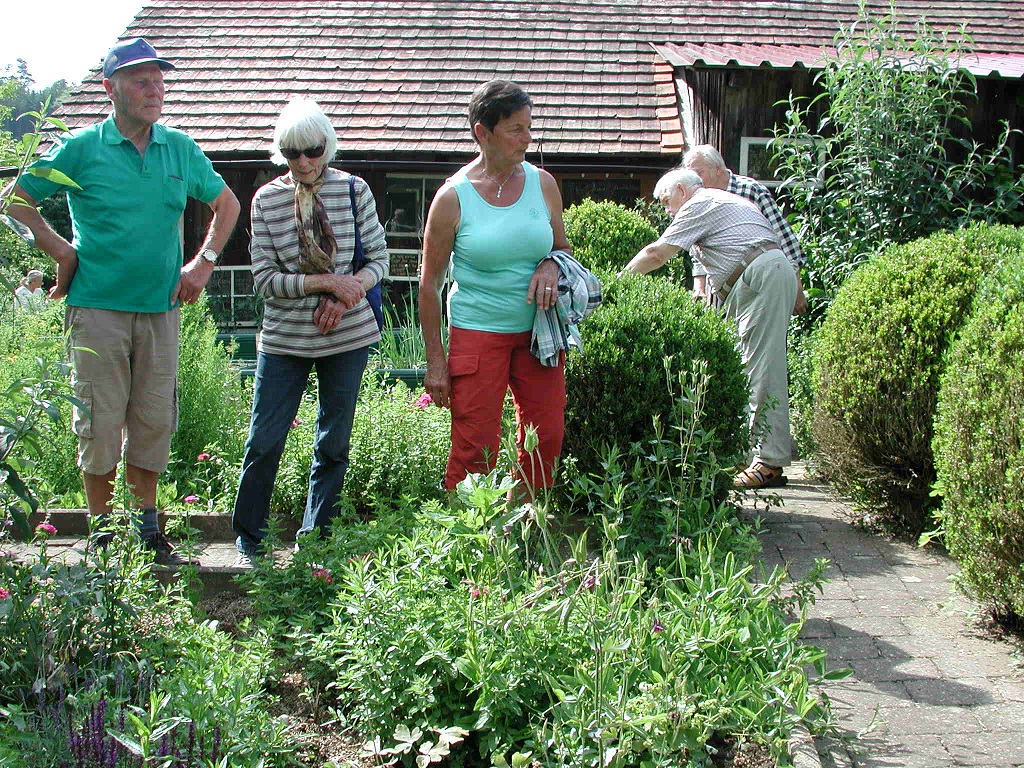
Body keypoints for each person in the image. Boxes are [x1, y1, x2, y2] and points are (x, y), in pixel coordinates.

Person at [3, 38, 241, 564]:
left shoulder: (178, 148)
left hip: (161, 310)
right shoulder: (82, 148)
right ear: (110, 88)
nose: (155, 90)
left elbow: (226, 204)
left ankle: (148, 533)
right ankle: (105, 538)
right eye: (140, 81)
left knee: (154, 421)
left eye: (159, 81)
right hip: (97, 310)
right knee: (100, 421)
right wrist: (62, 251)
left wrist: (203, 263)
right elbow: (16, 198)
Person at [231, 96, 389, 567]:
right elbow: (265, 280)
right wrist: (324, 283)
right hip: (284, 340)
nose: (303, 162)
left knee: (333, 443)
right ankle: (250, 539)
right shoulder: (266, 200)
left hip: (347, 336)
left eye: (313, 151)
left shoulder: (355, 190)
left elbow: (378, 261)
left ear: (328, 146)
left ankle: (315, 541)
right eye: (292, 152)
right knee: (264, 440)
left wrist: (344, 295)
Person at [420, 79, 571, 495]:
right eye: (516, 129)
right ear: (482, 133)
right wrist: (436, 362)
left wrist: (550, 265)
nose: (527, 138)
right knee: (476, 447)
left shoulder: (543, 184)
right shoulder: (453, 198)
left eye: (529, 127)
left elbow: (562, 250)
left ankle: (526, 520)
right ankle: (470, 530)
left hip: (539, 334)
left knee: (546, 437)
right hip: (477, 333)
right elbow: (430, 286)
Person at [620, 169, 796, 489]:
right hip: (759, 277)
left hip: (760, 278)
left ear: (682, 190)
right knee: (749, 369)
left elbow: (657, 254)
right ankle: (752, 453)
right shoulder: (722, 201)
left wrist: (617, 283)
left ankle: (769, 461)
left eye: (666, 202)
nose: (667, 211)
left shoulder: (699, 203)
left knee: (762, 370)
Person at [682, 144, 807, 315]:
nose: (694, 181)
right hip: (721, 290)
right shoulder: (699, 200)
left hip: (760, 284)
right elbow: (698, 249)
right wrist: (700, 287)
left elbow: (783, 236)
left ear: (717, 169)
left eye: (698, 173)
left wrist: (796, 285)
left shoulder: (750, 190)